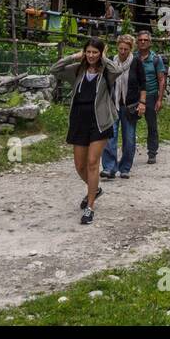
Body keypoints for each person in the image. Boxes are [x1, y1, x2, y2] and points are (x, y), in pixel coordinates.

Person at [58, 37, 117, 225]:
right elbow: (55, 69)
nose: (91, 56)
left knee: (93, 163)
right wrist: (73, 57)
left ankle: (90, 207)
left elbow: (118, 70)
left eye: (95, 52)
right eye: (88, 52)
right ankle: (95, 189)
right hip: (79, 121)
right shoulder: (78, 71)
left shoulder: (106, 71)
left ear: (100, 54)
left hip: (99, 122)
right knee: (79, 166)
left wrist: (105, 58)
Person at [102, 34, 147, 179]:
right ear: (117, 47)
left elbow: (143, 84)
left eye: (126, 49)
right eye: (120, 48)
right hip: (112, 104)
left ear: (131, 49)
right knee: (110, 137)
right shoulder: (111, 62)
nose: (122, 52)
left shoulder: (136, 62)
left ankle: (125, 167)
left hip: (130, 106)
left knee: (129, 138)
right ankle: (109, 167)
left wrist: (142, 103)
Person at [135, 30, 167, 165]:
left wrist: (159, 99)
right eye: (140, 40)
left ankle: (152, 152)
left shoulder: (155, 59)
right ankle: (129, 152)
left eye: (145, 40)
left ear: (150, 43)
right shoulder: (133, 58)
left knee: (152, 125)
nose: (142, 42)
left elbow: (161, 80)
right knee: (130, 125)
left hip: (151, 95)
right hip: (135, 96)